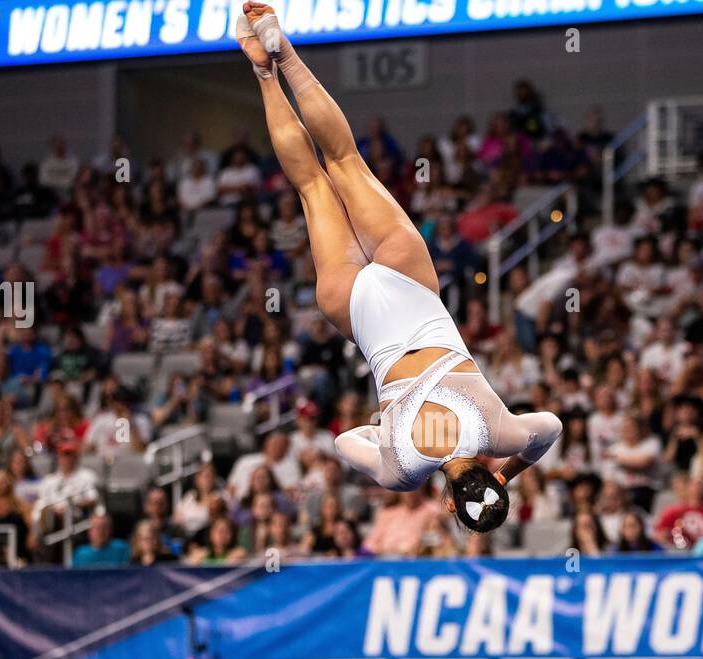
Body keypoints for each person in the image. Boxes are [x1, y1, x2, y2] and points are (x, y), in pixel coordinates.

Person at [234, 4, 561, 534]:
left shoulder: (498, 432)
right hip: (360, 315)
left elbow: (549, 427)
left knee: (343, 161)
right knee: (312, 186)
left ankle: (284, 52)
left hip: (411, 290)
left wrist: (509, 476)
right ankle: (263, 71)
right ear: (451, 504)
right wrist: (386, 429)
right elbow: (344, 442)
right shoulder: (403, 472)